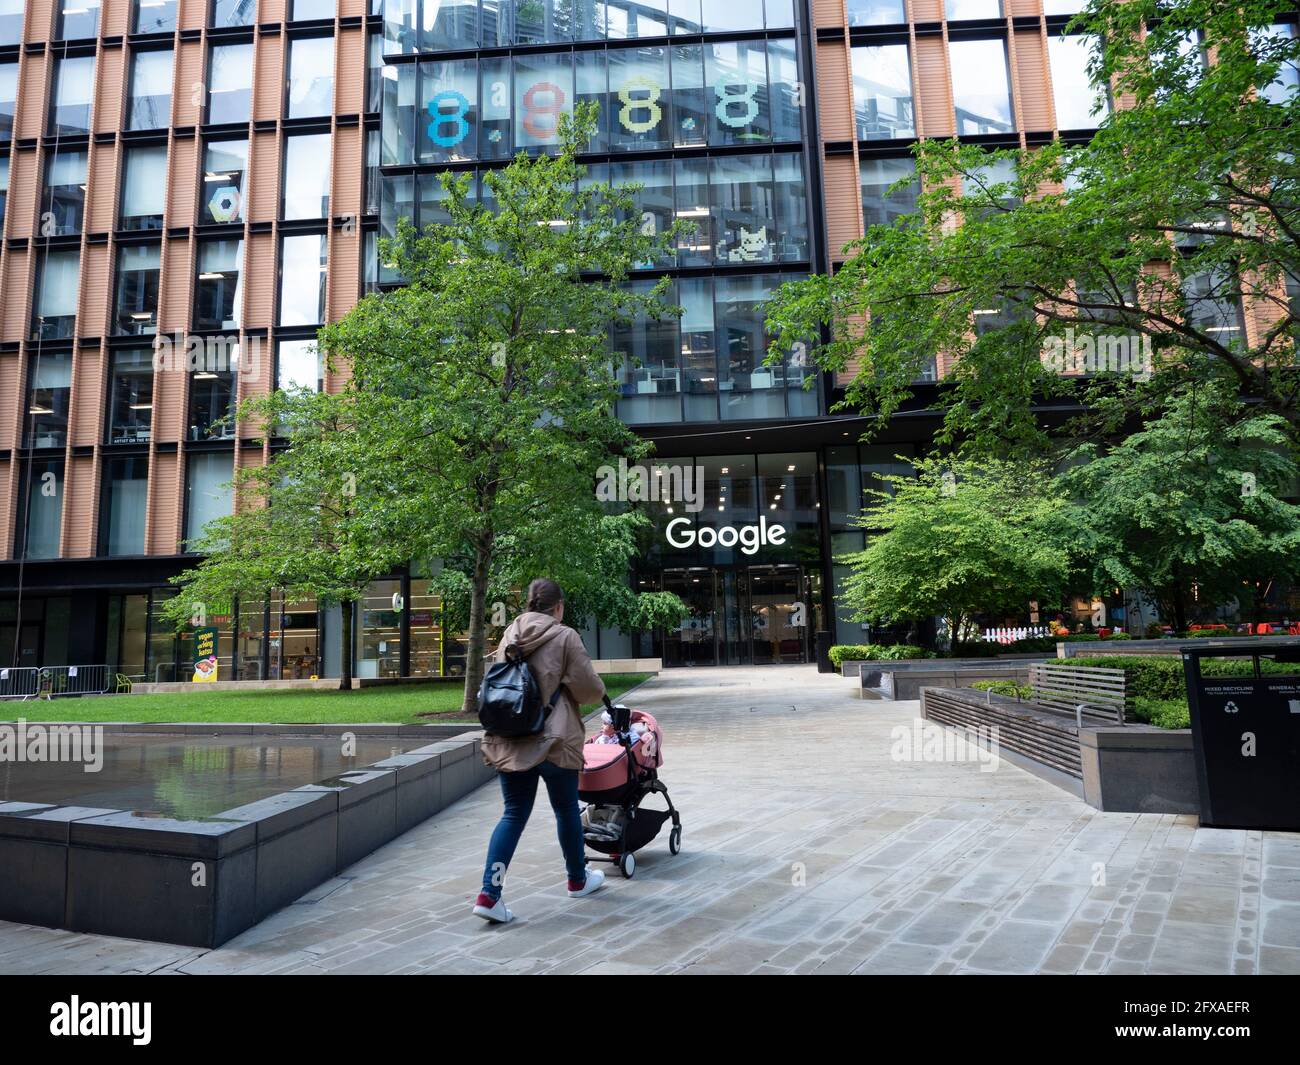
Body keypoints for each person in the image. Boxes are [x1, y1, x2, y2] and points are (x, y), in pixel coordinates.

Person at [473, 578, 607, 924]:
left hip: (512, 738)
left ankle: (490, 894)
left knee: (513, 814)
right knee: (565, 810)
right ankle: (577, 879)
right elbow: (590, 690)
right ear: (558, 607)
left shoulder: (509, 636)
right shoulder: (565, 636)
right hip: (554, 740)